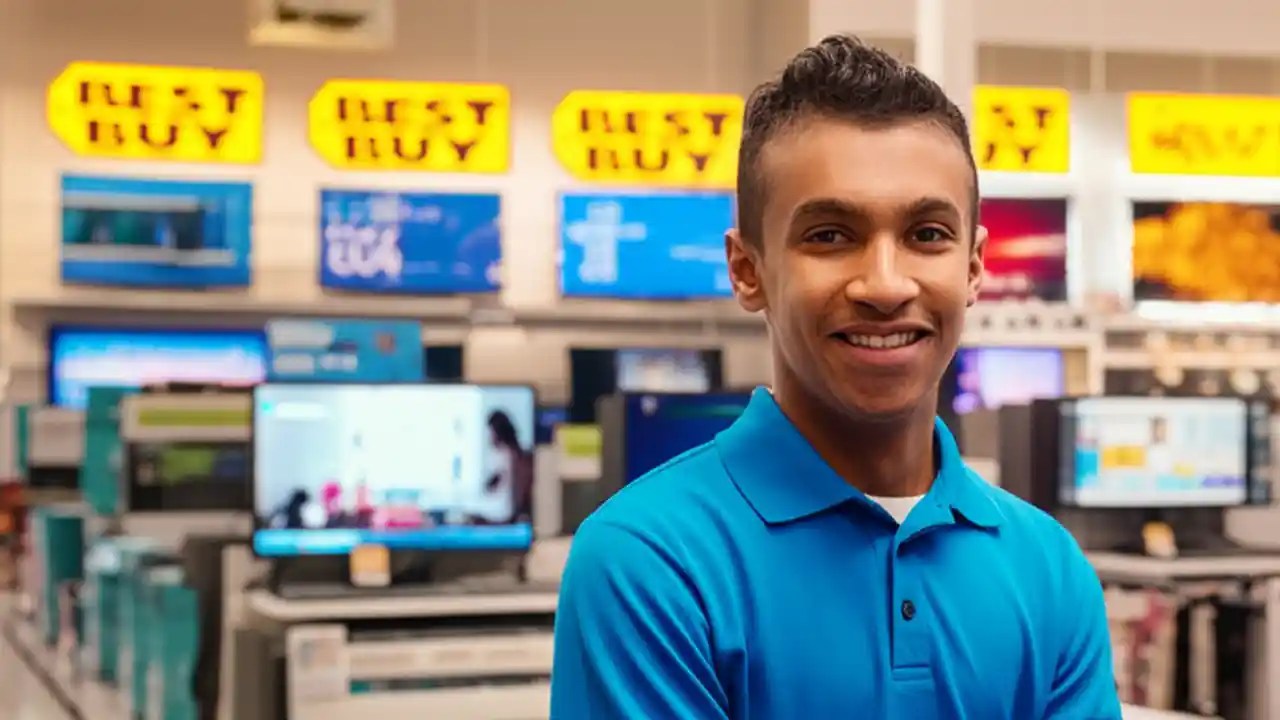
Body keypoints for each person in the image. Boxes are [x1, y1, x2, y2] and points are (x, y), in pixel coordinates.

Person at [550, 35, 1121, 719]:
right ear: (747, 270)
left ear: (973, 268)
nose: (885, 284)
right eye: (829, 235)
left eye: (927, 234)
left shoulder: (1049, 570)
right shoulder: (649, 561)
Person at [475, 410, 534, 524]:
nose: (489, 437)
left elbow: (494, 485)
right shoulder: (515, 453)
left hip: (503, 514)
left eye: (491, 432)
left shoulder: (506, 455)